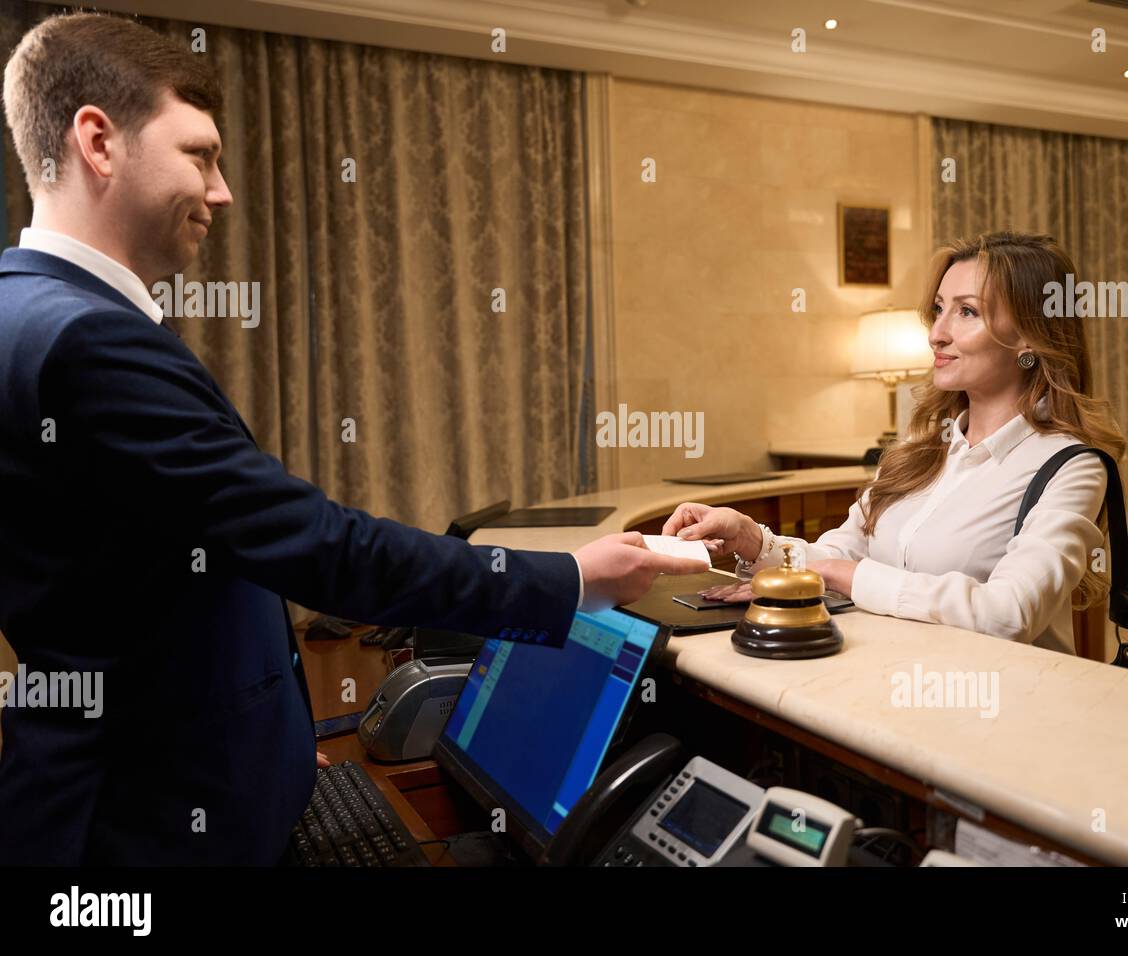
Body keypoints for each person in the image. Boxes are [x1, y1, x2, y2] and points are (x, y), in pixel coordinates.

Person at [0, 12, 706, 865]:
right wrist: (570, 580)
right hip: (144, 828)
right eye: (200, 154)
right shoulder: (87, 340)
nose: (221, 191)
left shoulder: (25, 310)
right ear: (98, 142)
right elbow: (315, 547)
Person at [665, 232, 1125, 656]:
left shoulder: (1071, 465)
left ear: (1031, 337)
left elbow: (1008, 614)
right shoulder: (921, 451)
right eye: (939, 309)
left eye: (967, 311)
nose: (936, 333)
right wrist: (751, 540)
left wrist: (842, 577)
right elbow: (841, 553)